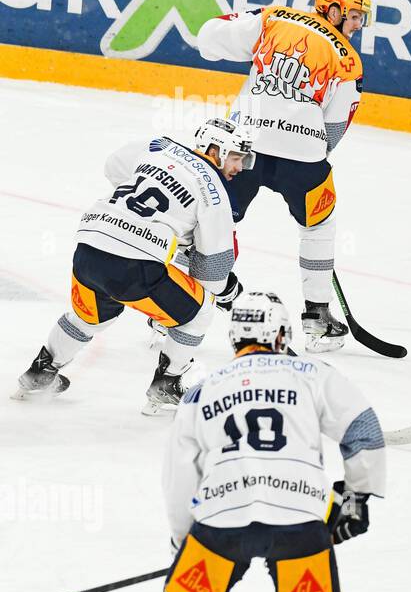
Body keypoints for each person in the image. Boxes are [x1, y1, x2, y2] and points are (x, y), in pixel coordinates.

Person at [129, 291, 387, 592]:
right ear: (282, 336)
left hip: (221, 525)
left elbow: (179, 477)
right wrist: (356, 497)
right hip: (298, 524)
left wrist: (184, 542)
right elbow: (363, 428)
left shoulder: (202, 391)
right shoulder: (313, 375)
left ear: (234, 338)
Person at [14, 118, 251, 413]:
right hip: (132, 266)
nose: (240, 168)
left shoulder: (160, 148)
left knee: (91, 317)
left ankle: (40, 372)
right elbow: (212, 274)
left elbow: (113, 166)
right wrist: (222, 289)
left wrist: (145, 219)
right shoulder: (215, 191)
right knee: (200, 311)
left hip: (89, 246)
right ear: (215, 150)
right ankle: (168, 384)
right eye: (236, 158)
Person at [196, 0, 370, 352]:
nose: (358, 25)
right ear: (335, 9)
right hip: (303, 154)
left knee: (212, 218)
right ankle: (318, 322)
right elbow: (335, 130)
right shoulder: (348, 60)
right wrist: (305, 147)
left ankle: (180, 309)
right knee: (319, 226)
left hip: (243, 143)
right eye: (355, 15)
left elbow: (208, 38)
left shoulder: (274, 17)